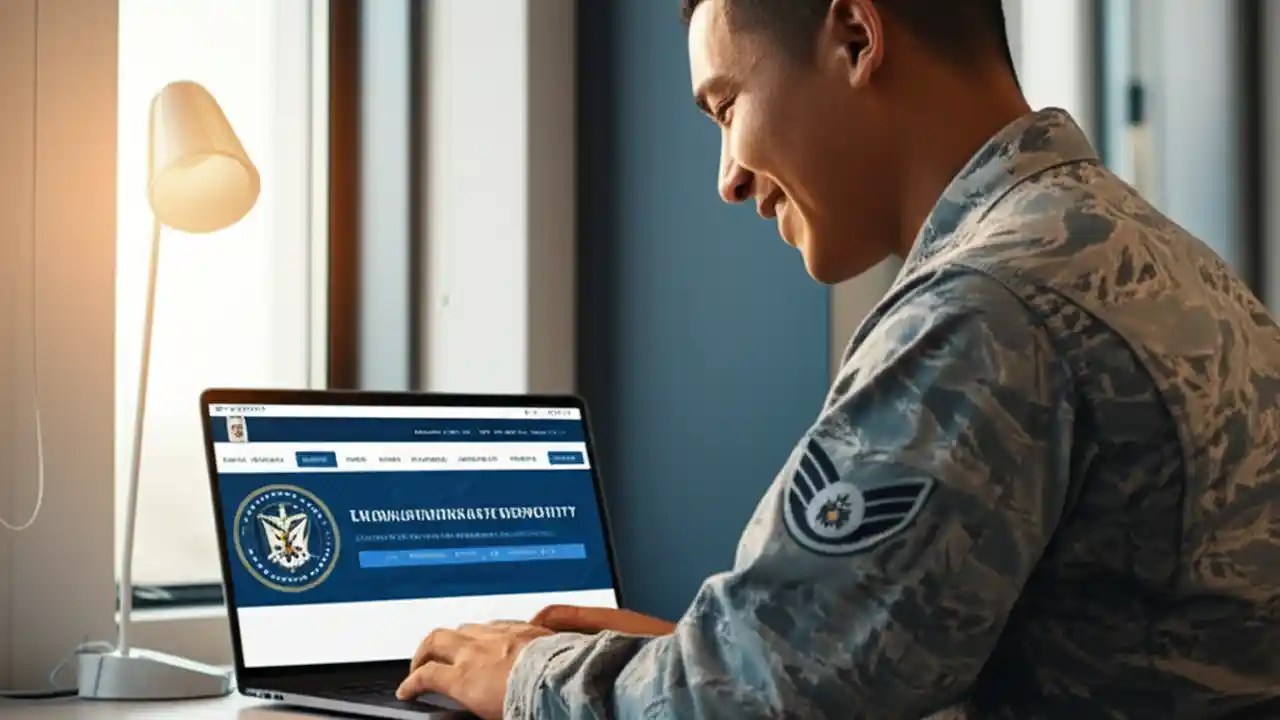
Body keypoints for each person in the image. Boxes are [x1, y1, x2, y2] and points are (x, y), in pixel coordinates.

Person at [396, 0, 1280, 717]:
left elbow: (769, 712)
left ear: (856, 37)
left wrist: (530, 678)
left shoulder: (983, 309)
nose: (727, 178)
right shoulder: (1143, 252)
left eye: (726, 106)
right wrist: (724, 658)